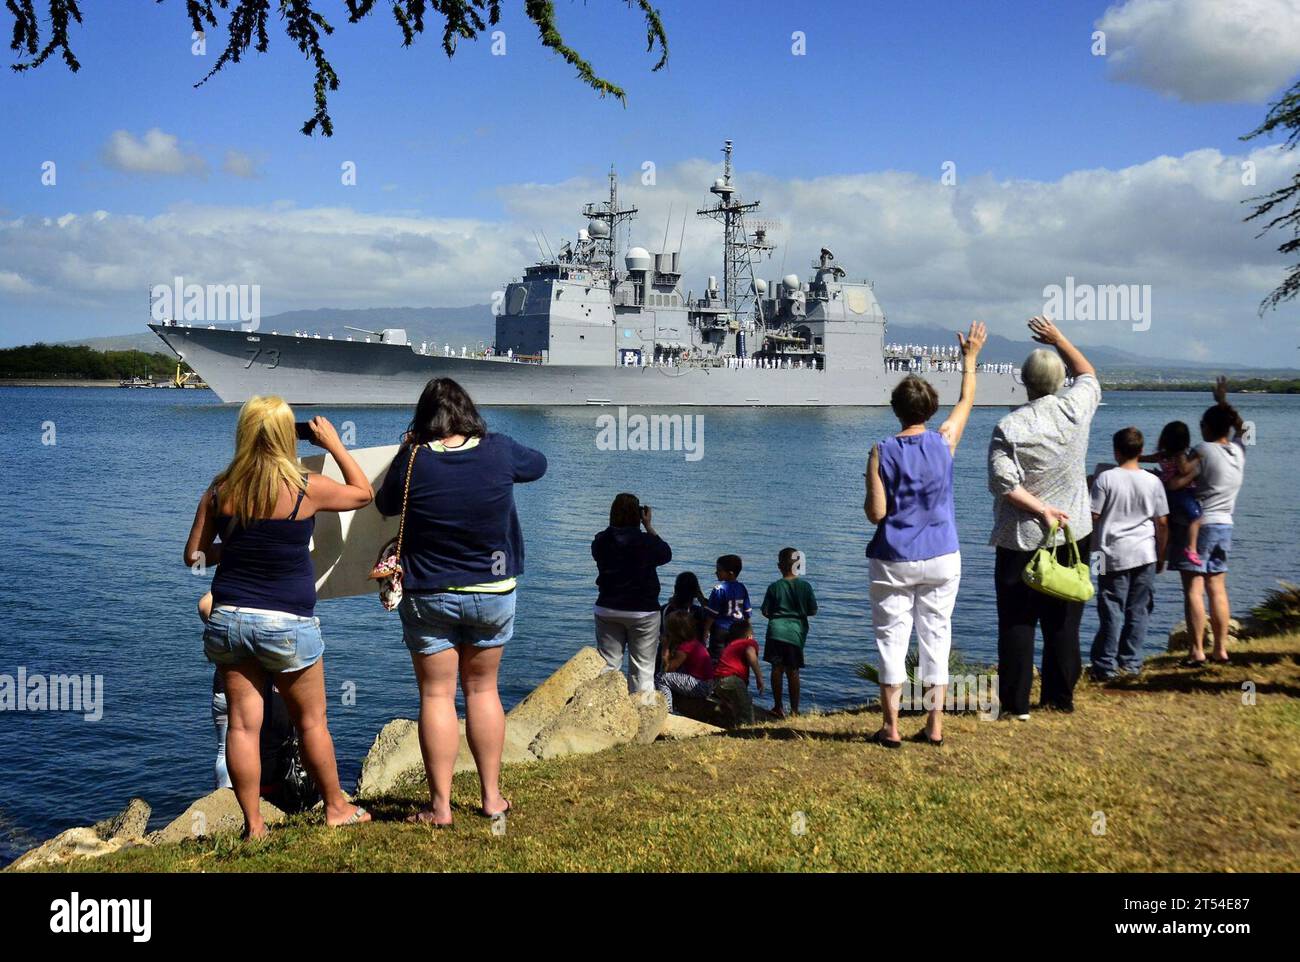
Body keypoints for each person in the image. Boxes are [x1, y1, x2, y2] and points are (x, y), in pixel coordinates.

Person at [185, 397, 373, 838]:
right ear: (289, 436)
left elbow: (193, 557)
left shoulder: (220, 490)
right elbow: (363, 494)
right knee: (311, 721)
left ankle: (254, 826)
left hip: (229, 618)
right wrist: (334, 446)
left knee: (243, 726)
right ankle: (336, 807)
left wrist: (229, 546)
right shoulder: (307, 487)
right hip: (286, 623)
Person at [376, 377, 547, 827]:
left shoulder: (413, 458)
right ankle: (491, 799)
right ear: (469, 411)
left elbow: (385, 503)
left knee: (436, 695)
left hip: (429, 591)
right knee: (482, 690)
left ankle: (441, 808)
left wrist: (407, 447)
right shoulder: (499, 448)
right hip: (493, 592)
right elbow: (540, 465)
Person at [866, 321, 985, 747]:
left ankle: (892, 727)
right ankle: (934, 726)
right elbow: (968, 399)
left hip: (893, 556)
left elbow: (876, 513)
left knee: (891, 641)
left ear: (895, 408)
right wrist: (968, 358)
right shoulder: (945, 441)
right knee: (936, 637)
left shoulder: (880, 450)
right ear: (930, 409)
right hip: (942, 555)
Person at [987, 316, 1100, 719]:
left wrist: (1039, 509)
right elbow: (1088, 374)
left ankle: (1015, 706)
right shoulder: (1076, 409)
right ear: (1059, 380)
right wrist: (1058, 338)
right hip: (1072, 533)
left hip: (1019, 539)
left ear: (1024, 381)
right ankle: (1060, 698)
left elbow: (1004, 483)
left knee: (1017, 624)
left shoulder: (1009, 426)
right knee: (1063, 622)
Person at [1169, 377, 1247, 666]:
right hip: (1226, 524)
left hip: (1200, 525)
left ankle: (1197, 651)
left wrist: (1176, 454)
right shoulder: (1239, 451)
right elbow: (1241, 428)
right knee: (1218, 588)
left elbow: (1181, 477)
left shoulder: (1203, 450)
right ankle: (1221, 650)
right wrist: (1224, 403)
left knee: (1194, 589)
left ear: (1206, 428)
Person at [1089, 427, 1169, 681]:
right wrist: (1161, 554)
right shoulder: (1153, 481)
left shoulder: (1106, 479)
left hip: (1110, 553)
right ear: (1141, 451)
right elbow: (1163, 522)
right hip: (1145, 553)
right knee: (1139, 610)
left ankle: (1105, 665)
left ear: (1116, 451)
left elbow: (1093, 516)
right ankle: (1131, 663)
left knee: (1111, 609)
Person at [592, 493, 673, 694]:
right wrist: (648, 526)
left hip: (608, 608)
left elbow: (600, 547)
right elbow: (666, 554)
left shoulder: (601, 541)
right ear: (638, 515)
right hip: (643, 611)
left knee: (608, 665)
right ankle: (642, 715)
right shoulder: (647, 542)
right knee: (643, 670)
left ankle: (602, 712)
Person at [760, 547, 818, 718]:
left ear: (779, 566)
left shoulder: (774, 587)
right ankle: (794, 710)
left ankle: (778, 707)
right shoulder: (805, 587)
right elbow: (813, 610)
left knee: (776, 669)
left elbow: (765, 611)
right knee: (793, 671)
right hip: (795, 634)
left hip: (775, 633)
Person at [1141, 421, 1204, 567]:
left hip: (1166, 492)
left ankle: (1161, 554)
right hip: (1183, 492)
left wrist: (1137, 457)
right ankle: (1192, 548)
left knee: (1167, 521)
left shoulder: (1163, 455)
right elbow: (1184, 470)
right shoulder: (1180, 455)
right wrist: (1197, 459)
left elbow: (1149, 458)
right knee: (1196, 516)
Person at [655, 610, 714, 713]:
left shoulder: (685, 648)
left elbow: (667, 669)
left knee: (661, 678)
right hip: (705, 683)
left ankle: (667, 710)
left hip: (701, 685)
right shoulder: (692, 643)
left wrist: (665, 647)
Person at [712, 620, 764, 725]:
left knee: (734, 703)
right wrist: (759, 677)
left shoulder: (731, 645)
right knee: (745, 706)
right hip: (732, 680)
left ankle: (728, 721)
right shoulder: (749, 642)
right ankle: (747, 728)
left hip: (716, 681)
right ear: (750, 636)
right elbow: (750, 653)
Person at [703, 555, 751, 660]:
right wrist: (749, 630)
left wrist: (706, 631)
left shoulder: (719, 589)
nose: (716, 572)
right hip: (738, 629)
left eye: (719, 570)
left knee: (717, 658)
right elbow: (747, 612)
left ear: (730, 573)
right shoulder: (742, 588)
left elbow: (712, 614)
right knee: (734, 657)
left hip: (721, 629)